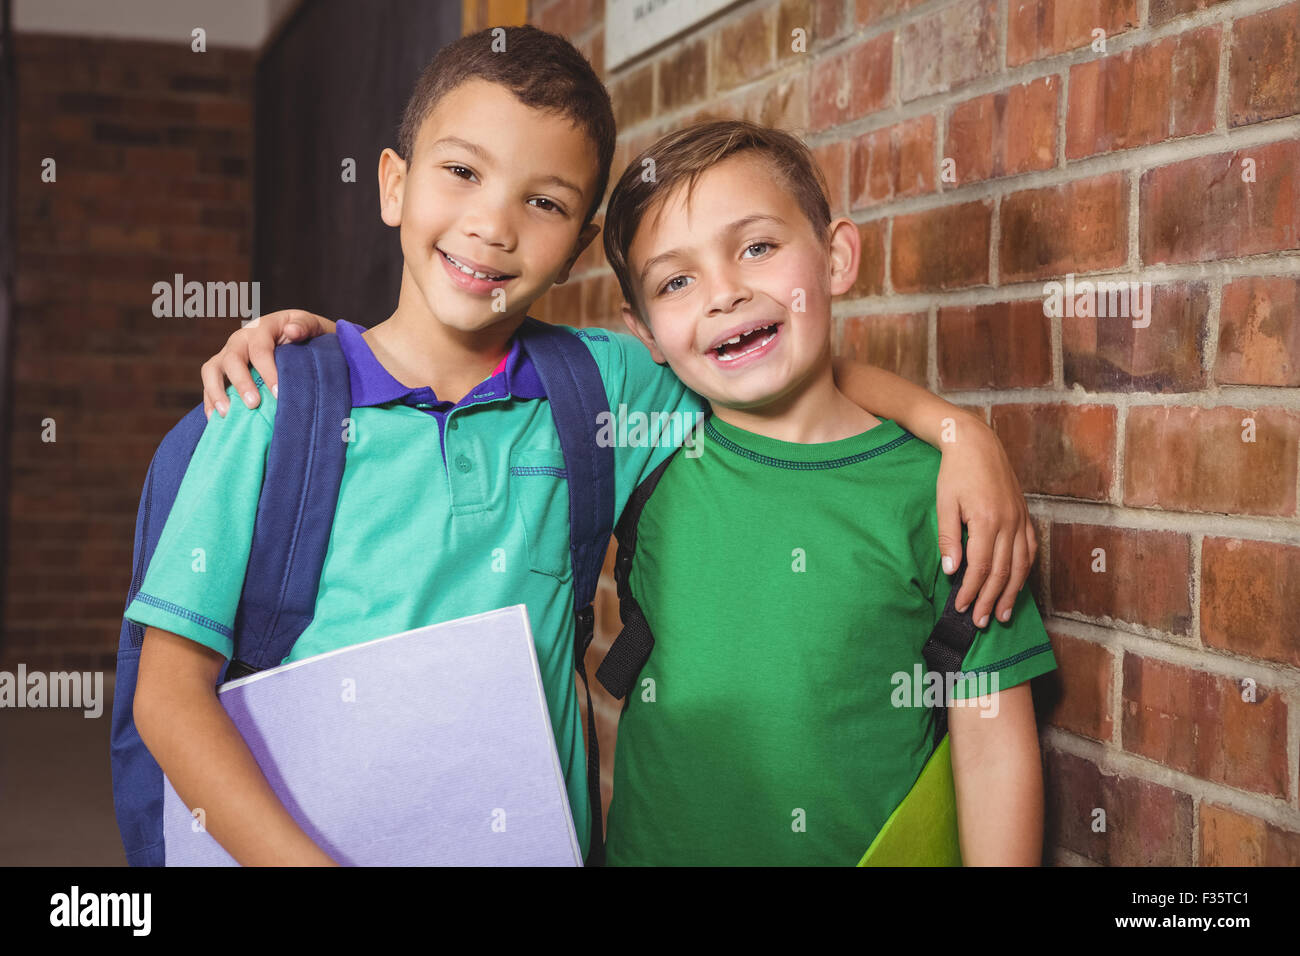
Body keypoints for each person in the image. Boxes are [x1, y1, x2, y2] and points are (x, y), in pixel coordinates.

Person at [176, 28, 1036, 866]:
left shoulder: (614, 390)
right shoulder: (283, 399)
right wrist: (323, 361)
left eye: (543, 201)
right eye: (463, 171)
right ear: (393, 184)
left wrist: (959, 433)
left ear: (579, 244)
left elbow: (796, 384)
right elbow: (168, 694)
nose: (492, 225)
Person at [592, 120, 1056, 864]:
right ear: (645, 333)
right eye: (677, 281)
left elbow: (994, 749)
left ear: (836, 257)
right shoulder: (643, 445)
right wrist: (336, 362)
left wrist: (955, 438)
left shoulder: (941, 500)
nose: (726, 293)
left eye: (757, 247)